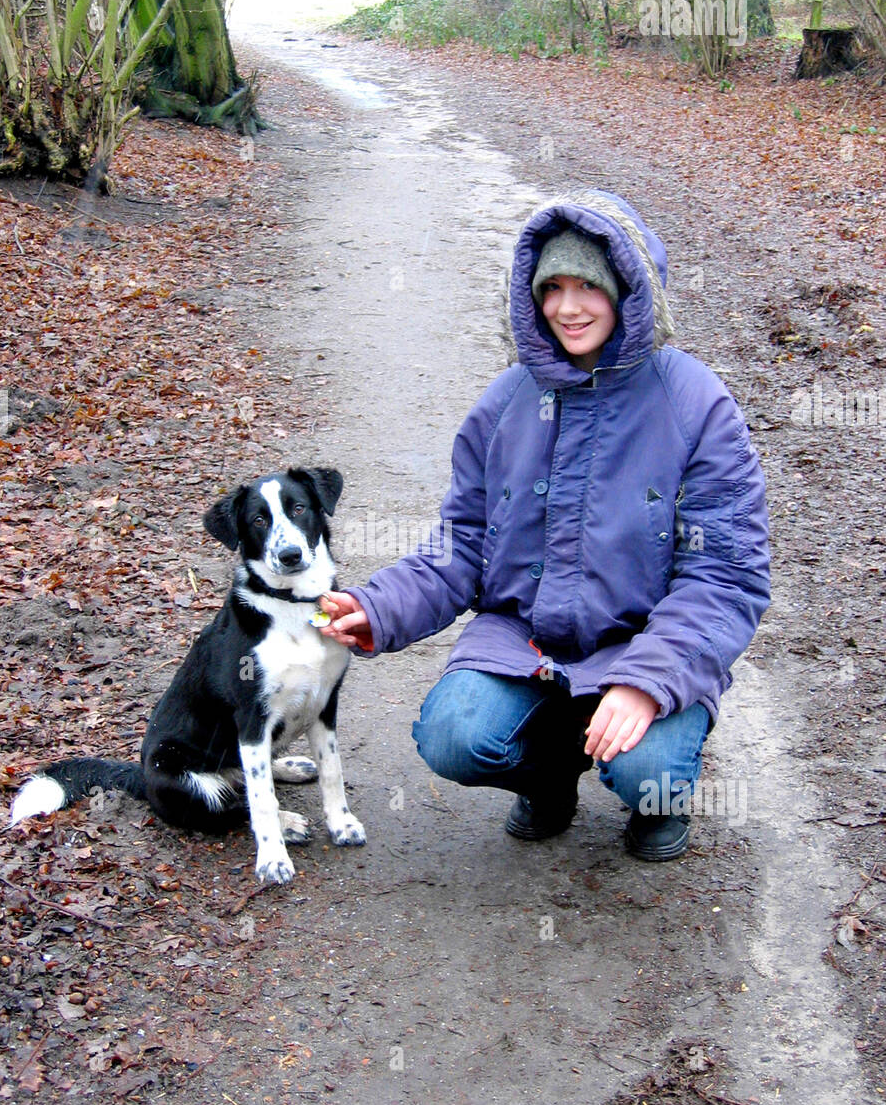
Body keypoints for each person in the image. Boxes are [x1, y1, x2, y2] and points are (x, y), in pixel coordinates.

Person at [318, 188, 770, 861]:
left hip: (642, 644)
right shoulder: (505, 402)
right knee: (452, 736)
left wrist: (646, 683)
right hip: (524, 644)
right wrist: (377, 606)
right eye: (550, 287)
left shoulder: (696, 403)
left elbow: (726, 576)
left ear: (626, 288)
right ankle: (550, 775)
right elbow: (464, 541)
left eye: (586, 285)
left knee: (644, 769)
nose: (566, 307)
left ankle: (658, 798)